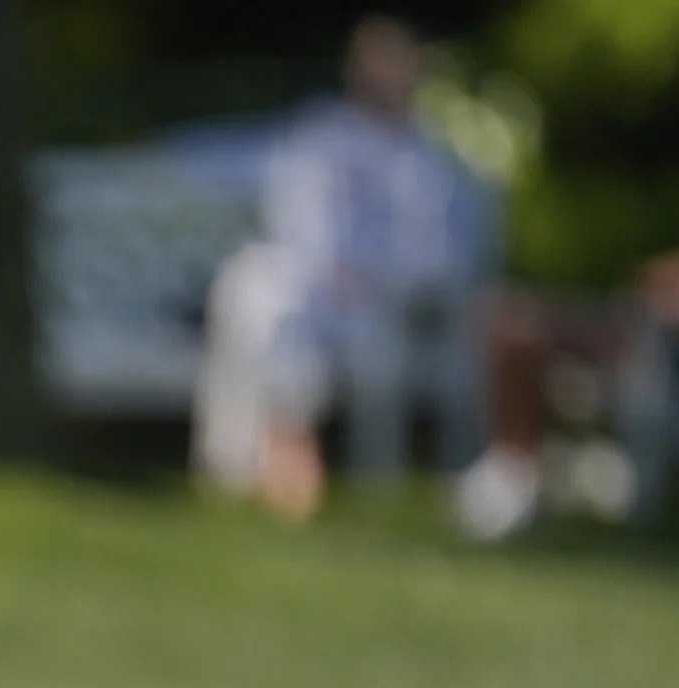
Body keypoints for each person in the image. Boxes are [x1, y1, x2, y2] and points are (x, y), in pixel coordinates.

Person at [451, 121, 679, 538]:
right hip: (657, 344)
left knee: (526, 330)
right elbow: (649, 282)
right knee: (513, 327)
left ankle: (515, 476)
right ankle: (515, 469)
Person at [193, 16, 491, 520]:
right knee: (254, 291)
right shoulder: (322, 134)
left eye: (397, 64)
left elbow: (445, 257)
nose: (386, 75)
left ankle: (288, 452)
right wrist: (328, 270)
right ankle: (249, 456)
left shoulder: (432, 160)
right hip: (316, 287)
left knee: (286, 314)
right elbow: (293, 214)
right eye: (375, 62)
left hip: (389, 307)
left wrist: (378, 279)